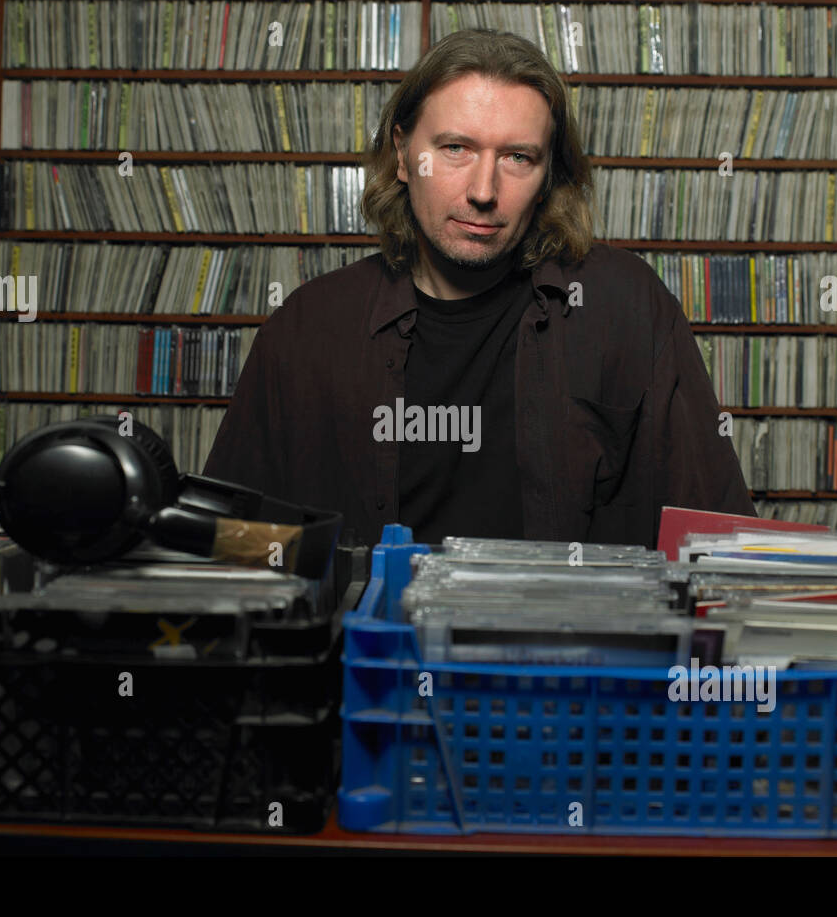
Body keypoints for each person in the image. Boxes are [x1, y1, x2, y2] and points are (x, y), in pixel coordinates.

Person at [203, 28, 755, 547]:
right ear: (402, 154)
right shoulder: (310, 325)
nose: (484, 191)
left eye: (518, 157)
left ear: (548, 177)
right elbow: (233, 544)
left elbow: (715, 537)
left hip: (565, 646)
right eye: (455, 149)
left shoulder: (625, 304)